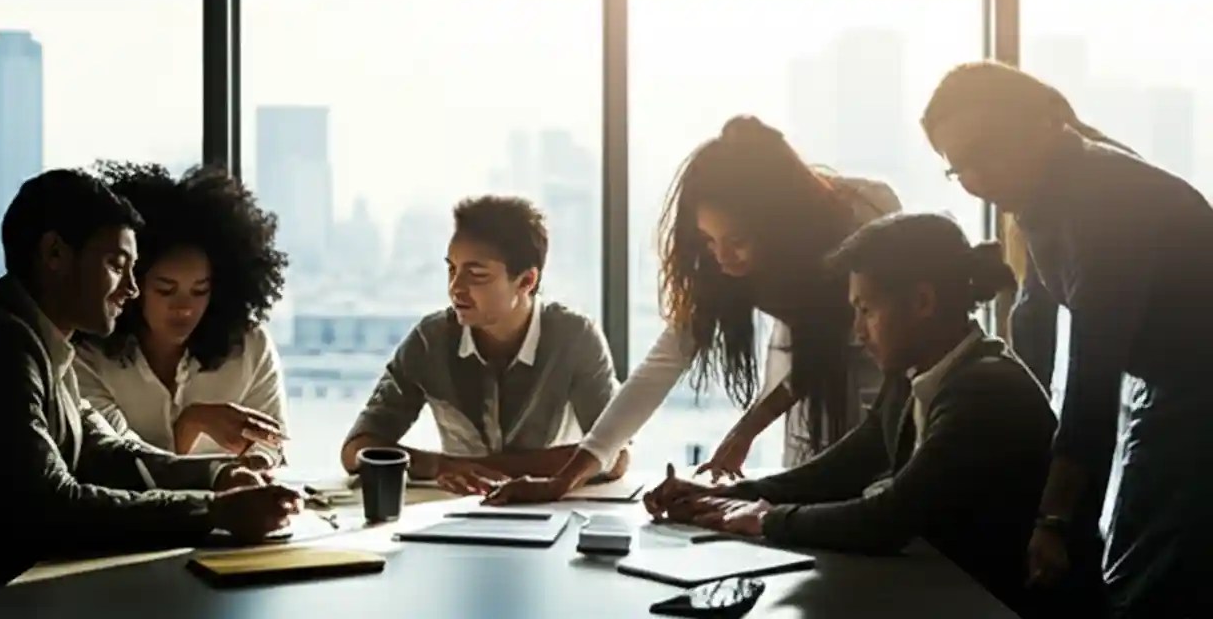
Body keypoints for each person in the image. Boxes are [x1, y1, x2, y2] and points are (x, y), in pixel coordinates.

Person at [646, 213, 1055, 612]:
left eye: (866, 310)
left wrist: (768, 520)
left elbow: (889, 518)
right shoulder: (915, 373)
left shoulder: (983, 389)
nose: (858, 331)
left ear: (922, 302)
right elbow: (848, 465)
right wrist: (730, 495)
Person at [922, 61, 1213, 618]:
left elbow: (1091, 383)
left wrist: (1055, 518)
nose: (978, 176)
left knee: (1150, 583)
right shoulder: (1045, 196)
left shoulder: (1102, 202)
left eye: (986, 151)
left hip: (1199, 395)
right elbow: (1034, 323)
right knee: (1145, 571)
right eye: (959, 168)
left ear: (1042, 122)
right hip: (1170, 386)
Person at [486, 115, 900, 506]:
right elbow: (661, 366)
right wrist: (566, 478)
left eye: (737, 240)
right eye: (708, 240)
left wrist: (744, 432)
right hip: (813, 391)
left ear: (781, 226)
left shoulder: (866, 213)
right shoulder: (721, 264)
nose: (723, 258)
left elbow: (838, 346)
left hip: (880, 385)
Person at [0, 170, 301, 614]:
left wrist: (219, 475)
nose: (131, 289)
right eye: (116, 266)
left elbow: (107, 451)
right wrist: (215, 512)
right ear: (54, 254)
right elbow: (51, 507)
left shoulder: (39, 338)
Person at [339, 195, 627, 494]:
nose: (456, 288)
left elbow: (615, 454)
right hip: (458, 508)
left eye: (476, 275)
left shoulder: (574, 337)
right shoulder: (430, 340)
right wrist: (445, 467)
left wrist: (489, 469)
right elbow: (357, 449)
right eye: (452, 269)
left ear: (526, 281)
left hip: (548, 508)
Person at [74, 163, 289, 471]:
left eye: (200, 290)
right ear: (133, 284)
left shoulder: (250, 348)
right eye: (166, 290)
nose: (184, 307)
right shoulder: (88, 357)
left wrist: (257, 463)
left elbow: (273, 446)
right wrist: (191, 425)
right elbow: (118, 463)